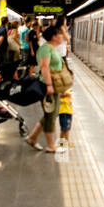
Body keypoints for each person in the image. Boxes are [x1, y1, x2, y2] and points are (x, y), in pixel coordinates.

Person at [25, 22, 67, 153]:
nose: (63, 37)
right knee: (51, 115)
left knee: (51, 114)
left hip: (54, 86)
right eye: (60, 34)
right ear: (54, 36)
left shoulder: (51, 48)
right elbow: (44, 67)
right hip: (47, 85)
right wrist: (49, 85)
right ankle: (50, 145)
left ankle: (32, 137)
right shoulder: (45, 49)